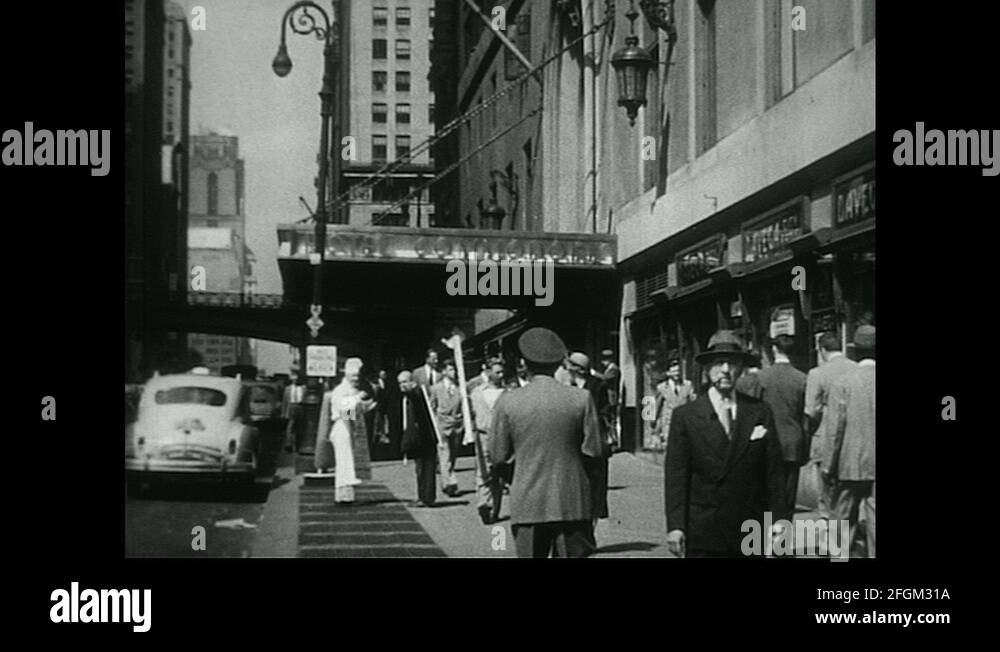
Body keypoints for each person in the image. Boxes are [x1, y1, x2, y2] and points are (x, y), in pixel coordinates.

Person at [664, 330, 786, 557]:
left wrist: (779, 520)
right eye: (720, 363)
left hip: (749, 527)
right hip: (705, 527)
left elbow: (774, 472)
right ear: (707, 368)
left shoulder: (759, 411)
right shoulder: (686, 416)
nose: (726, 370)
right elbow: (676, 476)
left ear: (741, 368)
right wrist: (675, 526)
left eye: (733, 363)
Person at [488, 328, 608, 558]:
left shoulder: (508, 401)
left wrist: (520, 474)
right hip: (573, 502)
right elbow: (595, 451)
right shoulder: (580, 398)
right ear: (558, 364)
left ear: (524, 363)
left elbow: (497, 456)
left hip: (527, 502)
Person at [823, 325, 875, 558]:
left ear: (854, 352)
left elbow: (835, 430)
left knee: (841, 521)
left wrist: (827, 466)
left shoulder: (843, 382)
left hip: (848, 464)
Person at [804, 332, 858, 519]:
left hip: (825, 435)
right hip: (854, 440)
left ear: (822, 349)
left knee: (826, 495)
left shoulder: (817, 373)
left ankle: (832, 536)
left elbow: (811, 410)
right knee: (850, 496)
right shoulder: (856, 368)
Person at [755, 334, 809, 516]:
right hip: (792, 442)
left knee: (764, 494)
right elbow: (806, 414)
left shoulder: (761, 377)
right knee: (787, 497)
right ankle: (781, 542)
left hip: (766, 441)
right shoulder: (801, 378)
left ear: (774, 349)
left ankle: (761, 540)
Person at [566, 352, 613, 542]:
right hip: (572, 444)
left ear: (577, 368)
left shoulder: (598, 385)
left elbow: (605, 411)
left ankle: (589, 533)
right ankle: (579, 533)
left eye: (570, 365)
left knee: (595, 488)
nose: (567, 368)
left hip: (594, 443)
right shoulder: (565, 386)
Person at [317, 358, 376, 504]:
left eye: (358, 376)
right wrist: (358, 399)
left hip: (350, 426)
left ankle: (346, 494)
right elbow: (342, 409)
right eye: (353, 376)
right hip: (341, 428)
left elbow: (351, 412)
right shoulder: (340, 390)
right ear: (347, 375)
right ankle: (343, 494)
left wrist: (366, 407)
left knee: (348, 461)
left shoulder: (353, 390)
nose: (356, 379)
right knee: (344, 461)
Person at [469, 359, 507, 524]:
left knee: (498, 473)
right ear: (488, 372)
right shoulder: (476, 392)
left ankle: (495, 511)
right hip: (482, 435)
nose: (500, 375)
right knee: (483, 471)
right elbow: (469, 413)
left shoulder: (507, 393)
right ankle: (485, 503)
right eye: (497, 372)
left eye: (502, 372)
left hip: (501, 437)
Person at [397, 370, 438, 507]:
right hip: (344, 430)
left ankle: (345, 496)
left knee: (424, 467)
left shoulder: (415, 395)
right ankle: (344, 495)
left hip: (423, 438)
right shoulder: (342, 392)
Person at [429, 359, 464, 497]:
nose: (453, 372)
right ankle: (449, 483)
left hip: (457, 424)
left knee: (453, 455)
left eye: (454, 369)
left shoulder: (459, 388)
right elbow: (432, 407)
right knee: (445, 454)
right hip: (442, 425)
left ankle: (448, 479)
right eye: (450, 369)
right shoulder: (436, 388)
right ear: (443, 372)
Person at [652, 358, 696, 450]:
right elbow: (656, 406)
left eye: (678, 371)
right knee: (671, 449)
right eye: (674, 371)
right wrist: (654, 423)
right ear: (668, 373)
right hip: (668, 423)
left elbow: (694, 403)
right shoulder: (662, 387)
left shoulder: (688, 385)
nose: (677, 374)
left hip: (685, 422)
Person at [282, 373, 305, 452]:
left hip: (300, 406)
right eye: (294, 379)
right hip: (291, 407)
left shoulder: (303, 388)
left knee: (299, 427)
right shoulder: (287, 389)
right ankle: (289, 444)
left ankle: (298, 445)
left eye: (297, 379)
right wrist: (284, 413)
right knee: (290, 426)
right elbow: (285, 401)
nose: (295, 380)